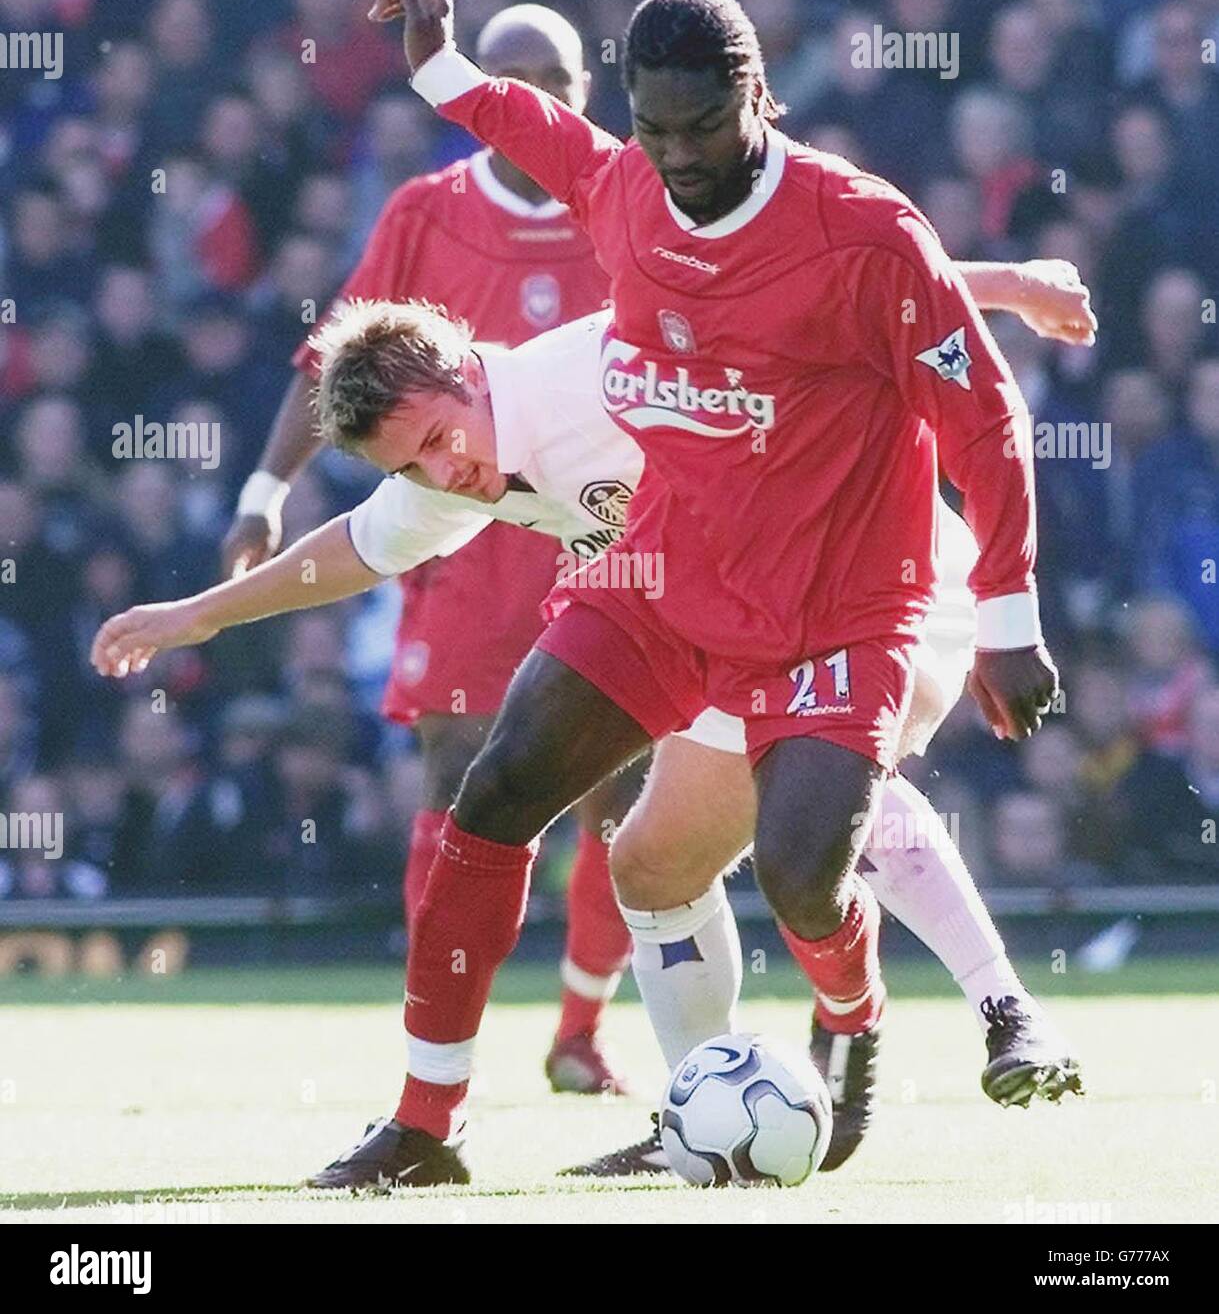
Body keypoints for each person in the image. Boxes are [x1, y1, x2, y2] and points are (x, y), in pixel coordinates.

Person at [94, 280, 1089, 1186]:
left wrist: (1004, 288)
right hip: (709, 613)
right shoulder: (444, 470)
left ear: (468, 365)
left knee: (813, 796)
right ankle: (520, 1121)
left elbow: (829, 288)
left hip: (877, 575)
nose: (450, 472)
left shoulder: (608, 361)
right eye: (414, 464)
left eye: (442, 437)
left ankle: (983, 1011)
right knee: (640, 862)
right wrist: (201, 614)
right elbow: (357, 546)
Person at [336, 0, 1065, 1179]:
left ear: (759, 99)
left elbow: (984, 416)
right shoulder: (628, 186)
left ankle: (852, 1011)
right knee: (500, 782)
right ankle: (426, 1125)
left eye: (700, 126)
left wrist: (1007, 613)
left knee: (798, 875)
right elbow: (546, 133)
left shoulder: (865, 233)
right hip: (664, 578)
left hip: (840, 605)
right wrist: (438, 68)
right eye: (654, 128)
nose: (674, 156)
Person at [221, 4, 645, 1099]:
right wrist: (268, 488)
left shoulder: (627, 198)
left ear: (580, 96)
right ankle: (437, 1036)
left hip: (607, 531)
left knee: (619, 789)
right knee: (459, 772)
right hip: (467, 533)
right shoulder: (426, 211)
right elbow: (336, 367)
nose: (528, 104)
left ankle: (581, 1027)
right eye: (505, 78)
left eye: (548, 81)